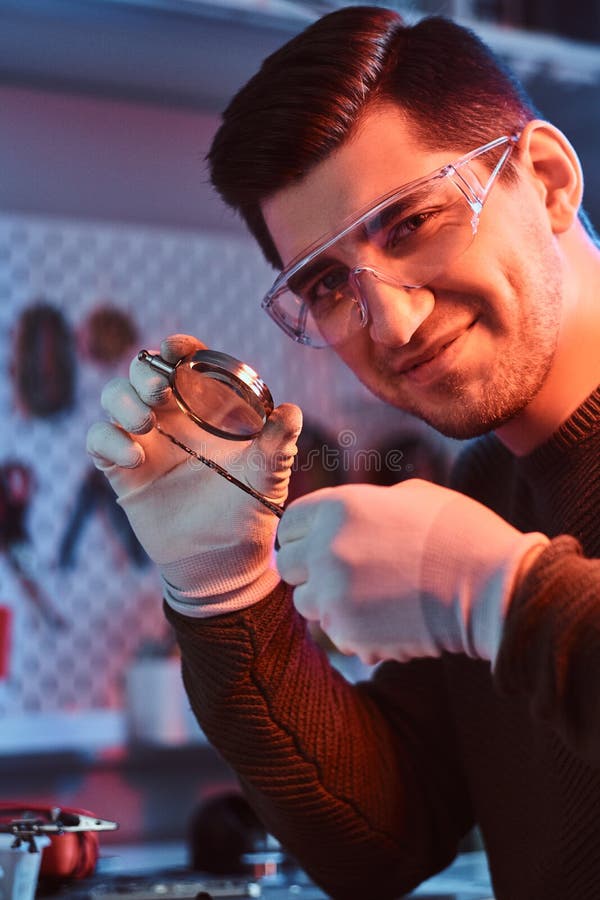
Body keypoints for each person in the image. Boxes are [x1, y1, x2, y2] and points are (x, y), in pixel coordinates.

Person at [86, 6, 600, 899]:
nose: (391, 323)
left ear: (549, 180)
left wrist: (510, 600)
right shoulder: (485, 486)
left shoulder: (483, 550)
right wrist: (220, 588)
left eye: (411, 223)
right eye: (327, 283)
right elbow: (383, 840)